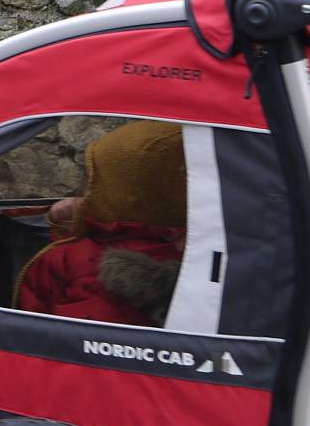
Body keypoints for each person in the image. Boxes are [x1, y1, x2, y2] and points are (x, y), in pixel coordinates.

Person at [15, 121, 186, 326]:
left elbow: (65, 341)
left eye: (94, 184)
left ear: (114, 193)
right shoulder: (197, 248)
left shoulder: (86, 266)